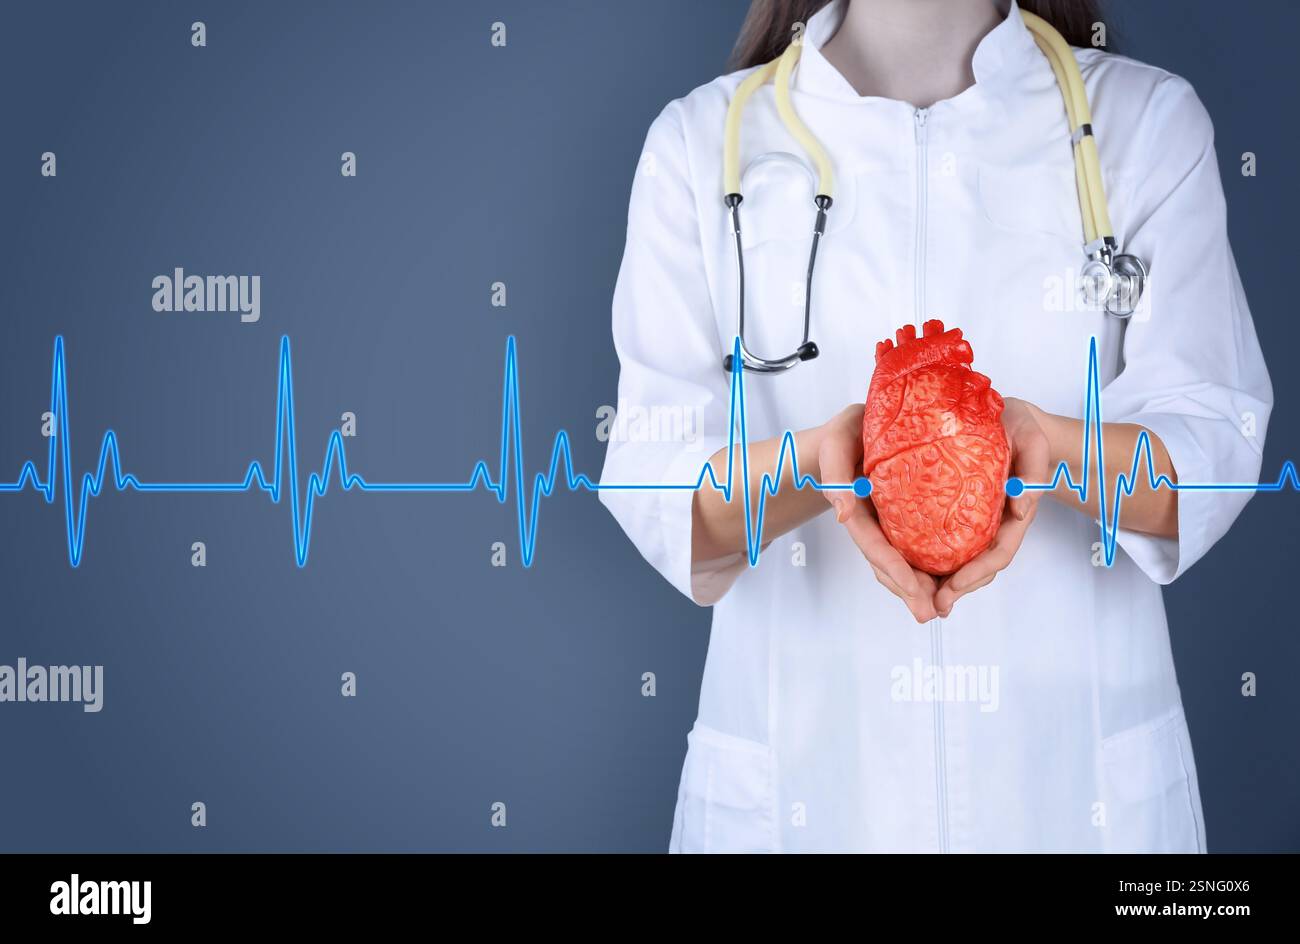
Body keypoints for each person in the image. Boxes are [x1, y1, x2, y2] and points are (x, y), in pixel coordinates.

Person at [599, 0, 1272, 852]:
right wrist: (824, 465)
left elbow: (1212, 455)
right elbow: (654, 486)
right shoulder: (701, 143)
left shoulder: (1142, 125)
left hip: (1072, 800)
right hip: (805, 796)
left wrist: (1046, 449)